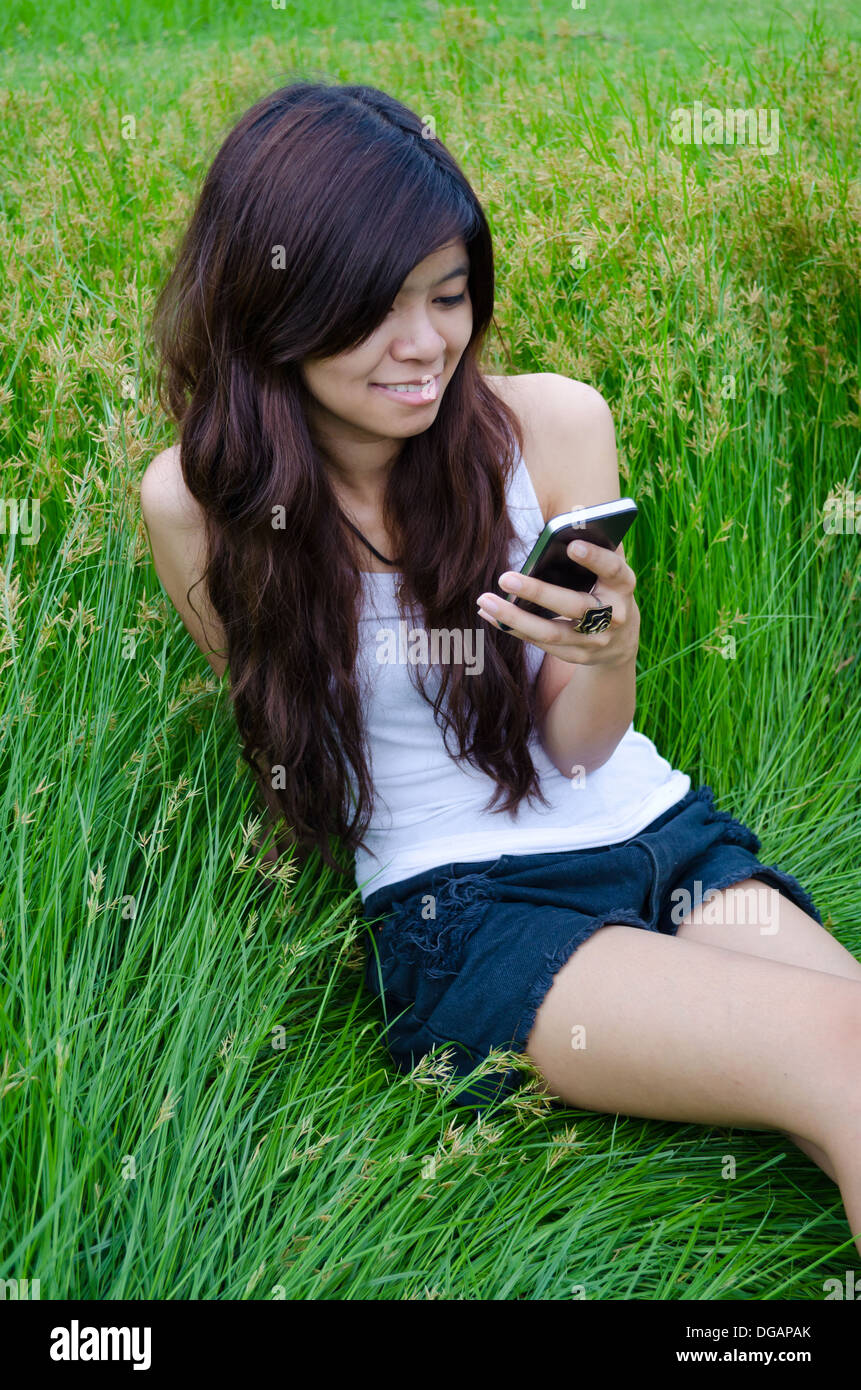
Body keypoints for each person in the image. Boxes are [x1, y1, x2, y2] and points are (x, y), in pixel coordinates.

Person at [141, 80, 861, 1255]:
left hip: (662, 838)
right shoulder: (197, 503)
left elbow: (580, 744)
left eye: (449, 294)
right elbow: (290, 732)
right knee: (846, 1055)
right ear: (273, 299)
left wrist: (607, 652)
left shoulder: (557, 426)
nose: (427, 346)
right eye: (378, 308)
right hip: (466, 907)